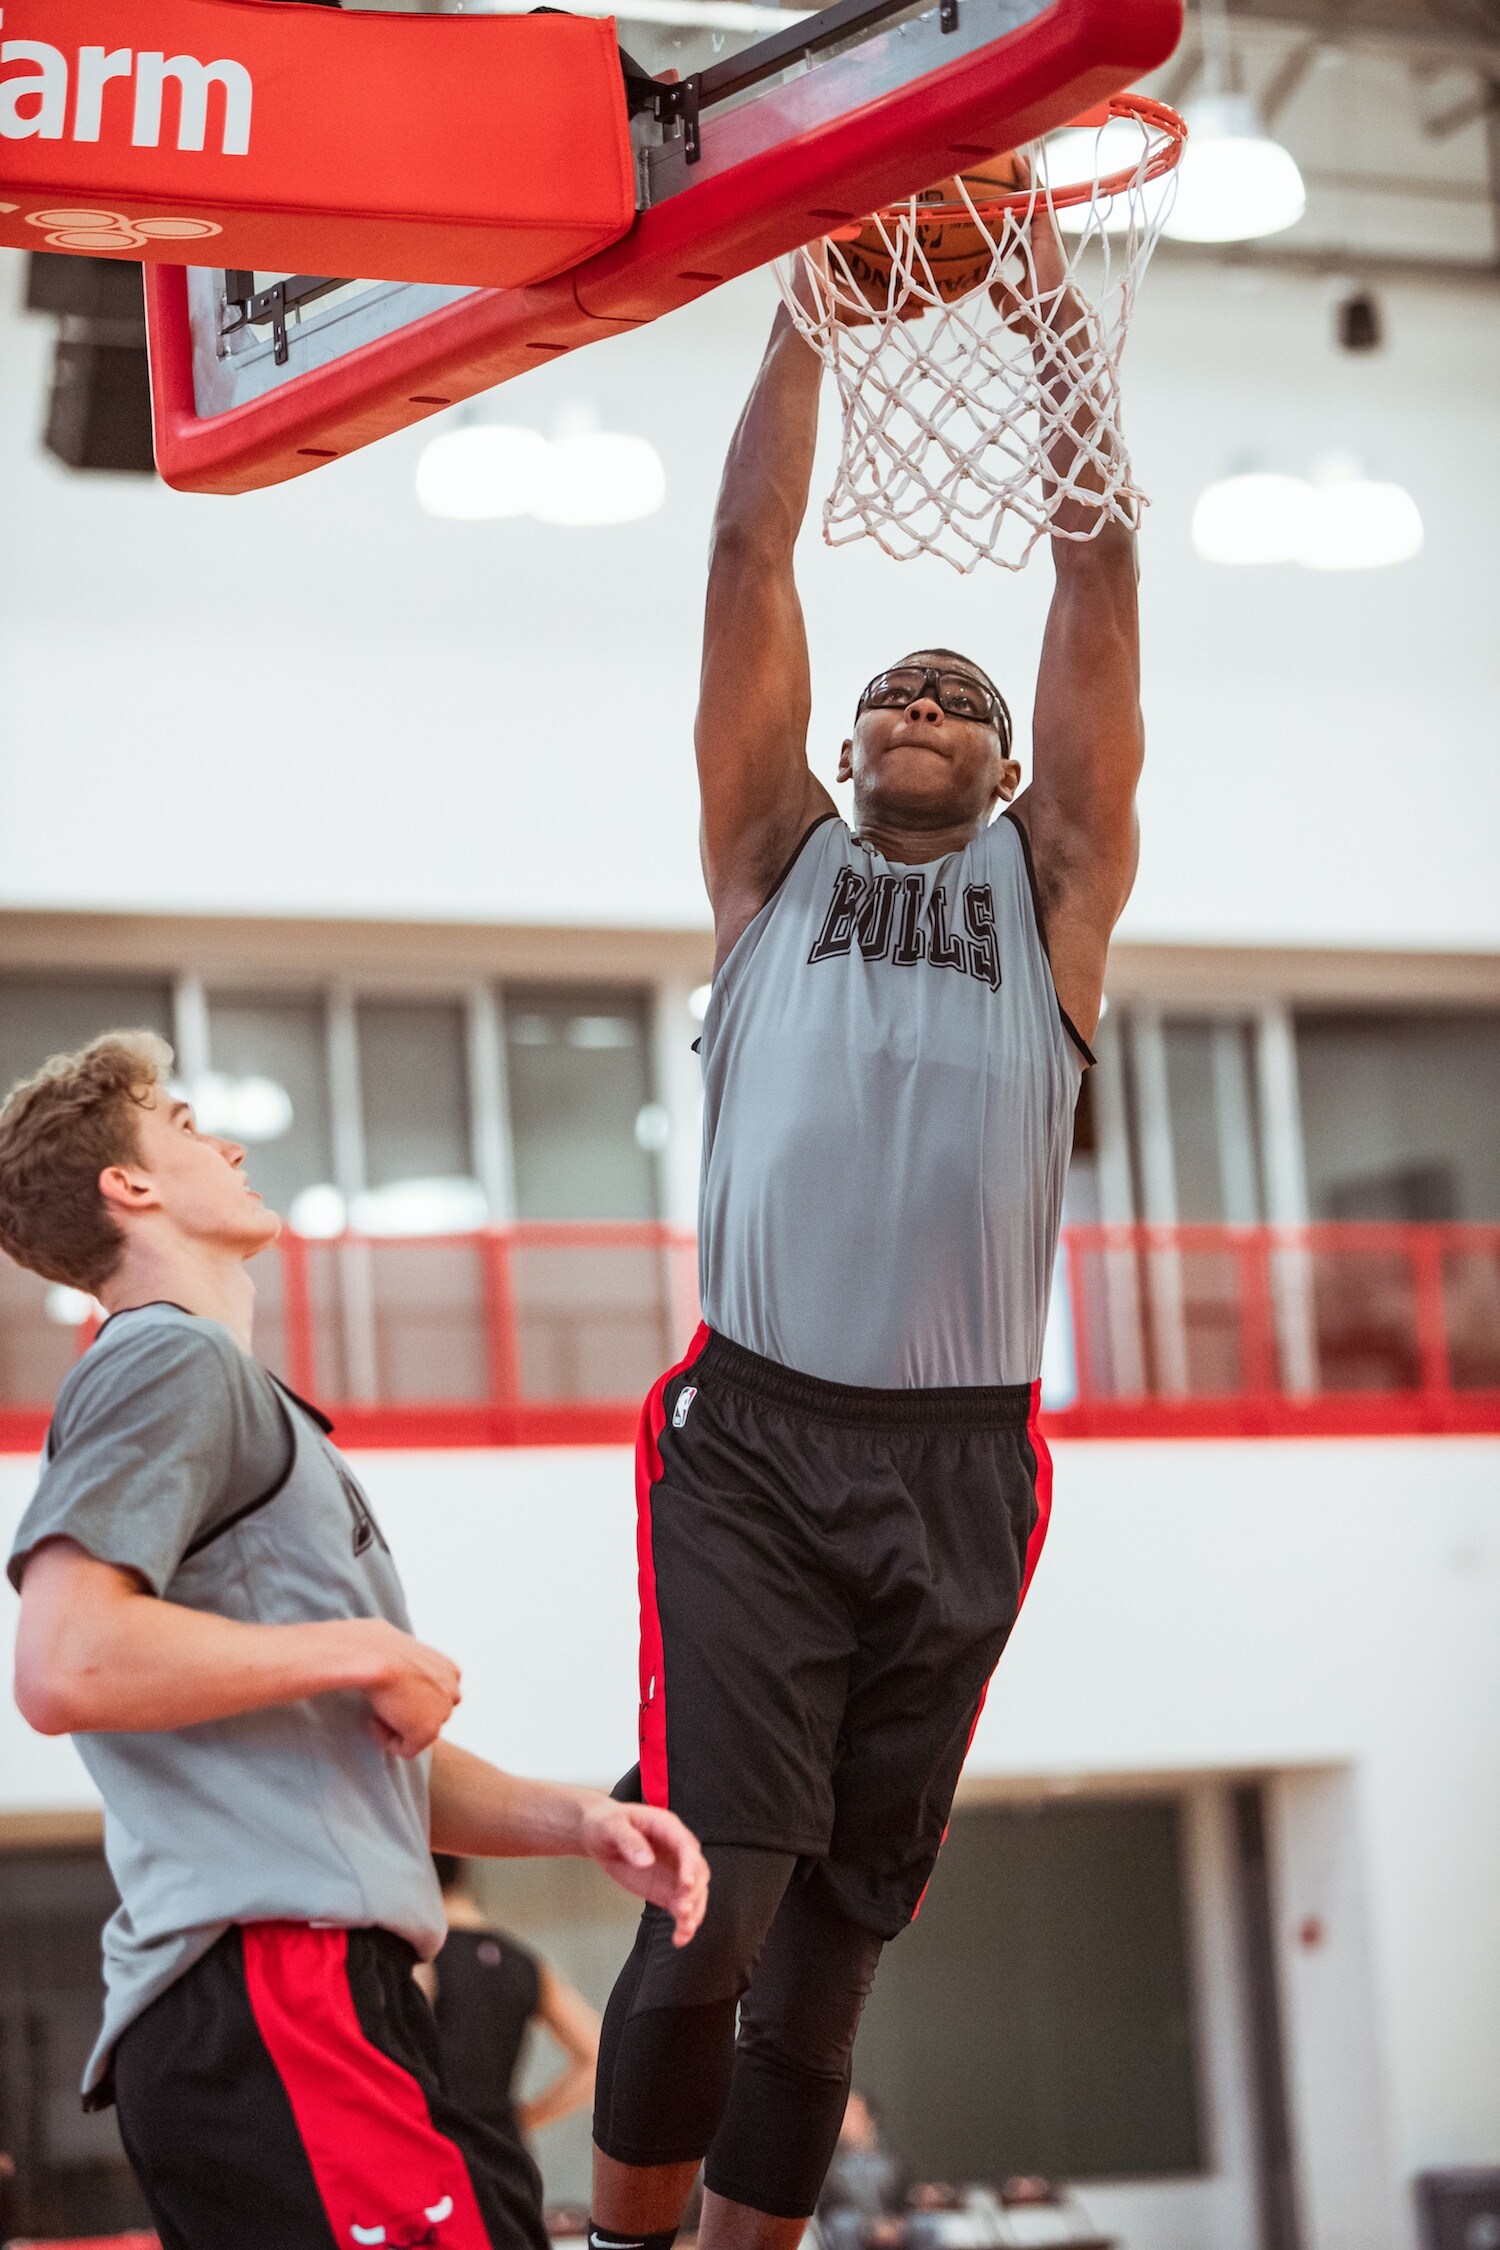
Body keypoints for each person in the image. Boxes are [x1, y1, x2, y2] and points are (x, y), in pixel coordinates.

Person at [589, 192, 1141, 2250]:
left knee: (833, 1954)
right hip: (754, 1441)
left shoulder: (1054, 897)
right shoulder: (767, 862)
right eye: (887, 685)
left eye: (956, 693)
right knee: (720, 1894)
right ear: (837, 745)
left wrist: (1050, 304)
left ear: (1009, 774)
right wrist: (809, 315)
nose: (915, 692)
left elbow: (1097, 556)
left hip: (960, 1460)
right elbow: (748, 560)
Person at [0, 1030, 708, 2250]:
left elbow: (344, 1750)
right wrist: (362, 1650)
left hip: (333, 1993)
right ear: (133, 1187)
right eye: (182, 1126)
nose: (225, 1143)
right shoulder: (169, 1356)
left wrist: (573, 1821)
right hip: (275, 1985)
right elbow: (67, 1663)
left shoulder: (233, 1394)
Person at [424, 1853, 601, 2150]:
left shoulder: (416, 1963)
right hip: (507, 2155)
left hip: (439, 2157)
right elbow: (598, 2057)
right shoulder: (524, 1961)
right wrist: (523, 2121)